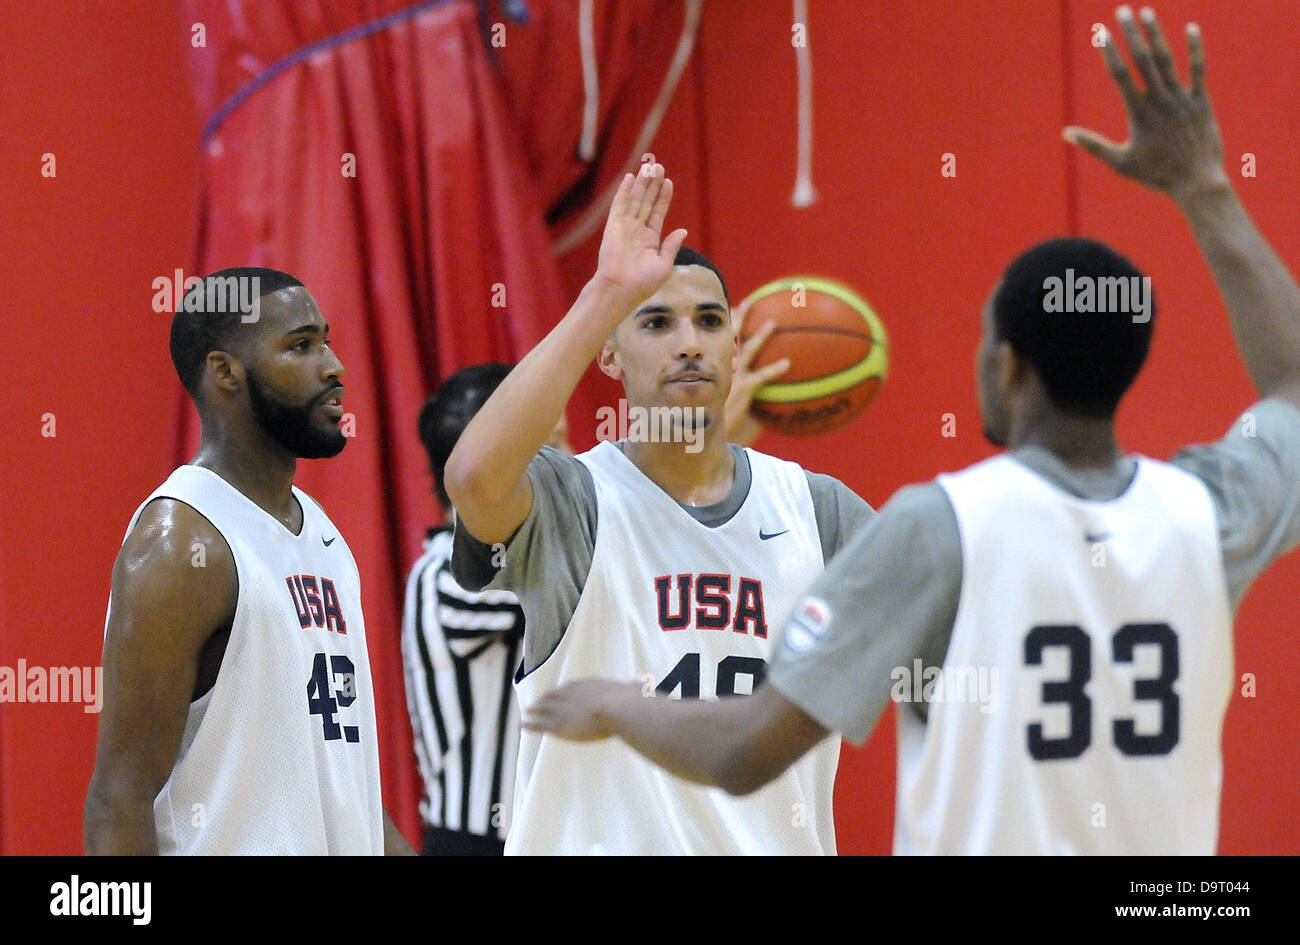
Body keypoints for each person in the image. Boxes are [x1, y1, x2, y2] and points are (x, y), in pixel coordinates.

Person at [523, 7, 1300, 855]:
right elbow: (1294, 390)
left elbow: (747, 749)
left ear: (1007, 366)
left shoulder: (936, 529)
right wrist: (1207, 188)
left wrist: (614, 703)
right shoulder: (1207, 516)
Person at [445, 165, 874, 855]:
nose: (689, 342)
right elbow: (472, 478)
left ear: (736, 350)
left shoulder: (817, 510)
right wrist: (605, 294)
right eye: (656, 321)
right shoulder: (573, 500)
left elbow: (958, 642)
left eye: (710, 321)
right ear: (608, 355)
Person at [84, 268, 413, 855]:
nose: (334, 366)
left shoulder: (326, 537)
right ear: (225, 372)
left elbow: (341, 780)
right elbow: (120, 798)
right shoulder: (181, 542)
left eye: (327, 341)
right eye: (301, 345)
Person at [403, 363, 569, 855]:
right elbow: (587, 571)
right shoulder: (446, 576)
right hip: (476, 843)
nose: (575, 465)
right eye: (552, 447)